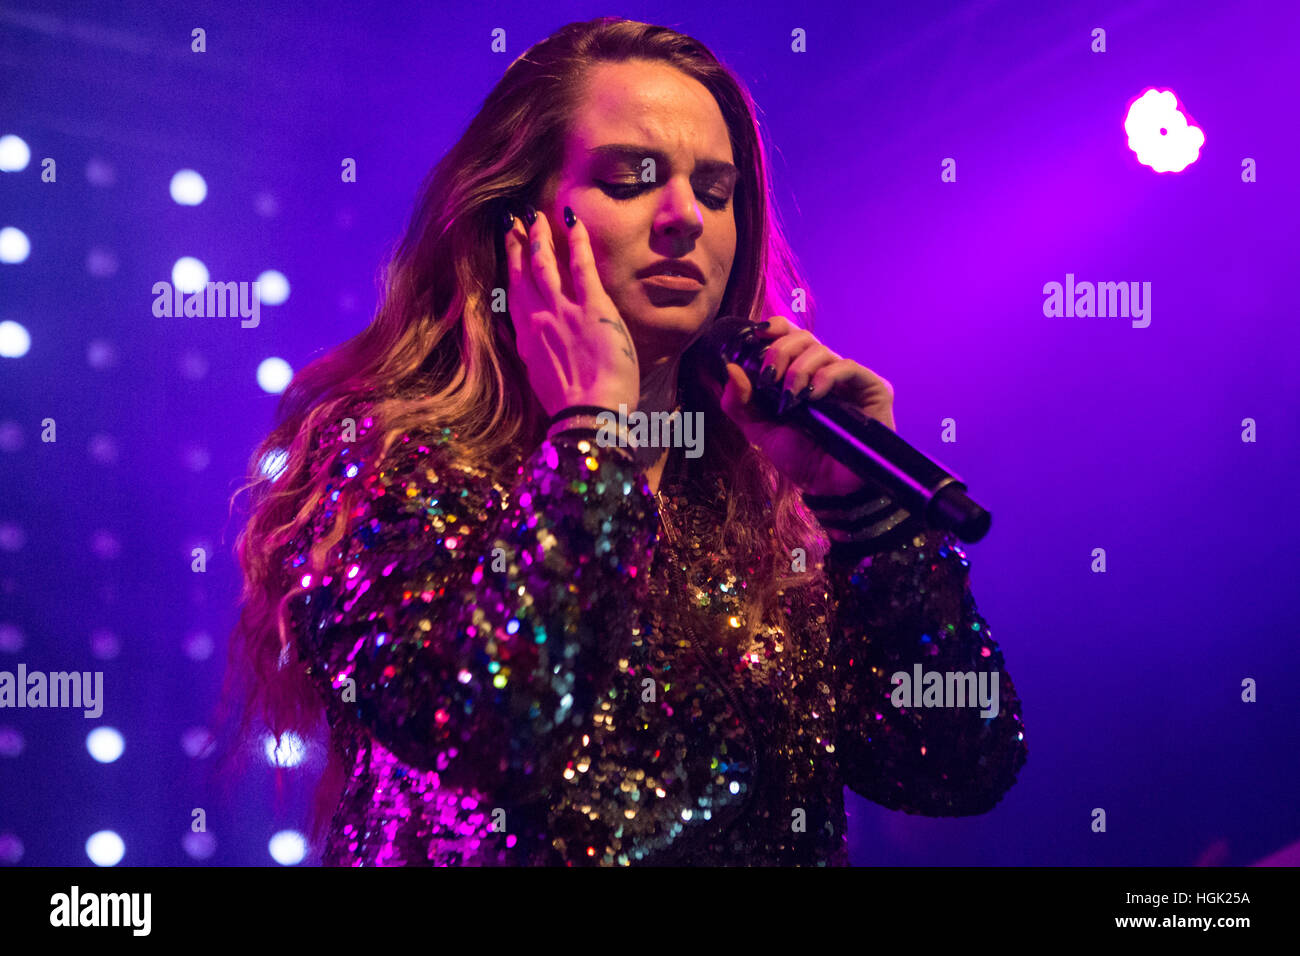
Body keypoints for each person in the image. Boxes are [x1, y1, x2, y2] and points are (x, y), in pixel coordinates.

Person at [221, 16, 1027, 866]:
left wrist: (870, 519)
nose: (685, 216)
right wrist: (593, 440)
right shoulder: (385, 461)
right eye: (631, 180)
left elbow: (962, 766)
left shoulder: (758, 503)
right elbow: (502, 728)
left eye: (717, 192)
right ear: (515, 221)